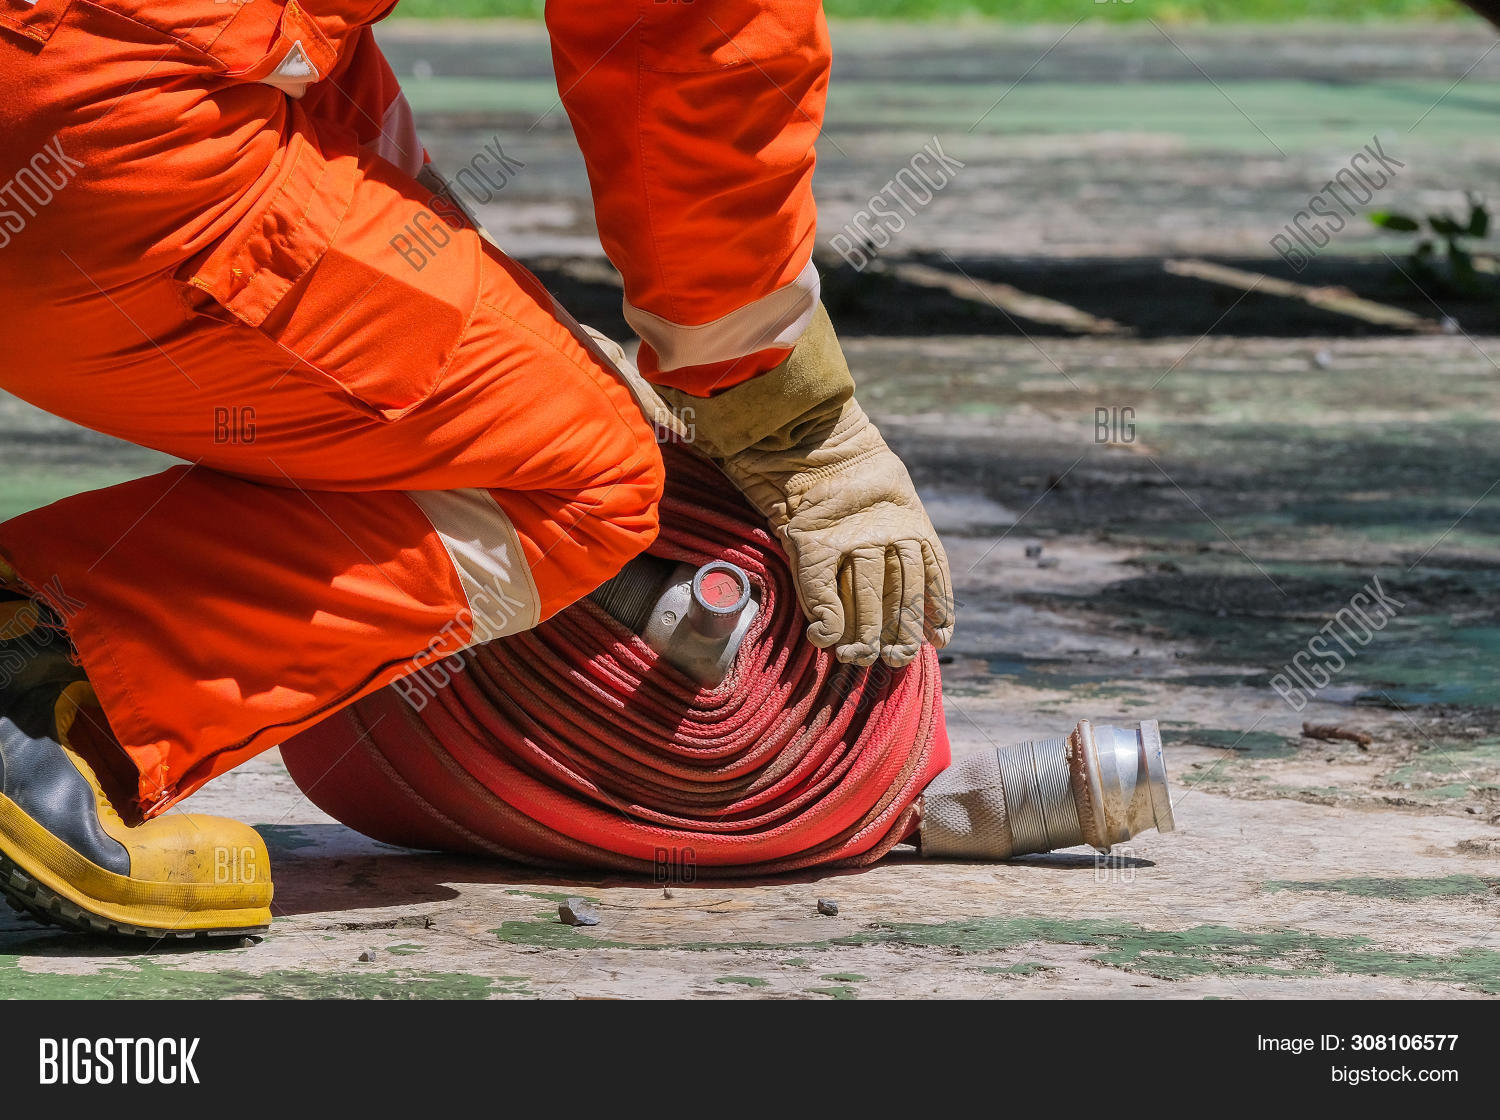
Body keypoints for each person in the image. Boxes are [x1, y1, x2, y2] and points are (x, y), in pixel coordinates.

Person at [0, 0, 952, 938]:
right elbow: (693, 29)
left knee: (491, 397)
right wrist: (790, 415)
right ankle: (43, 676)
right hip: (91, 135)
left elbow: (300, 57)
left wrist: (468, 307)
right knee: (584, 477)